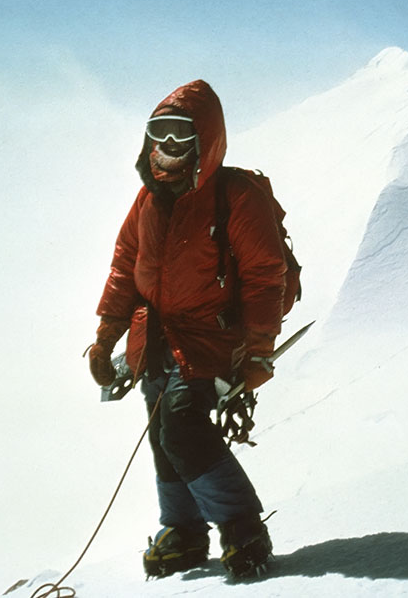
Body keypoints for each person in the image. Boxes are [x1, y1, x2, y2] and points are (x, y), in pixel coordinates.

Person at [86, 79, 287, 580]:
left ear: (205, 140)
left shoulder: (235, 196)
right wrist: (107, 336)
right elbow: (124, 267)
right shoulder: (148, 200)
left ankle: (242, 527)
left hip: (212, 339)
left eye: (181, 135)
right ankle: (184, 530)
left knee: (180, 425)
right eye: (160, 134)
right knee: (163, 431)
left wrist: (259, 351)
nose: (169, 148)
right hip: (153, 339)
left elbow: (266, 275)